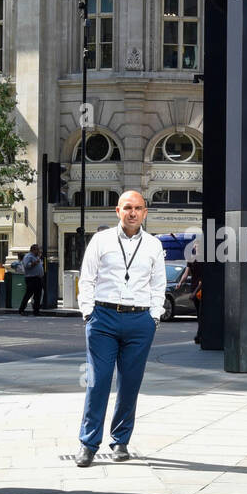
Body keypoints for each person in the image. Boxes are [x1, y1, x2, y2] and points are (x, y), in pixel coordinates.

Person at [74, 191, 166, 466]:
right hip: (103, 318)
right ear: (118, 211)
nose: (133, 213)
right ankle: (88, 443)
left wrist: (155, 316)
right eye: (128, 208)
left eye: (138, 208)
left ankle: (121, 441)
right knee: (98, 381)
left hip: (140, 321)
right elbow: (87, 278)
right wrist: (88, 313)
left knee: (130, 383)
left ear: (145, 212)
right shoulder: (101, 240)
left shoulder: (153, 245)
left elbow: (158, 283)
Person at [17, 243, 45, 315]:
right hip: (31, 278)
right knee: (28, 294)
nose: (39, 251)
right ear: (33, 250)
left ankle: (36, 311)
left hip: (38, 278)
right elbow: (26, 265)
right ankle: (21, 310)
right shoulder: (28, 256)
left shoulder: (36, 257)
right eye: (37, 250)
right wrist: (35, 263)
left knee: (37, 295)